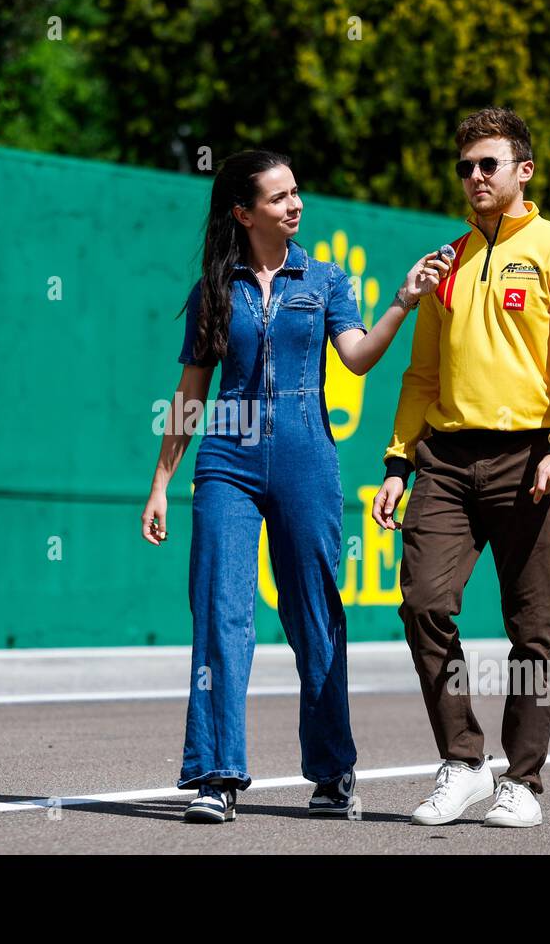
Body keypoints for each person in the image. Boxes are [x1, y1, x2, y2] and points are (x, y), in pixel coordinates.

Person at [141, 149, 452, 823]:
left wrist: (403, 301)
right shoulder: (213, 290)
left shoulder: (327, 280)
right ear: (244, 212)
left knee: (313, 616)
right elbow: (192, 392)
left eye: (296, 193)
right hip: (227, 457)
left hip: (308, 457)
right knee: (221, 612)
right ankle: (215, 775)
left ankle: (332, 770)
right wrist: (162, 481)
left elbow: (359, 357)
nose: (295, 204)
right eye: (279, 197)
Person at [371, 107, 550, 829]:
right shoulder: (446, 262)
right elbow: (421, 376)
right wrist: (398, 462)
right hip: (444, 458)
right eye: (465, 166)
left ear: (522, 170)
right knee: (422, 601)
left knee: (532, 631)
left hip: (531, 457)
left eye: (488, 164)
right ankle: (464, 763)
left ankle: (523, 781)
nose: (474, 177)